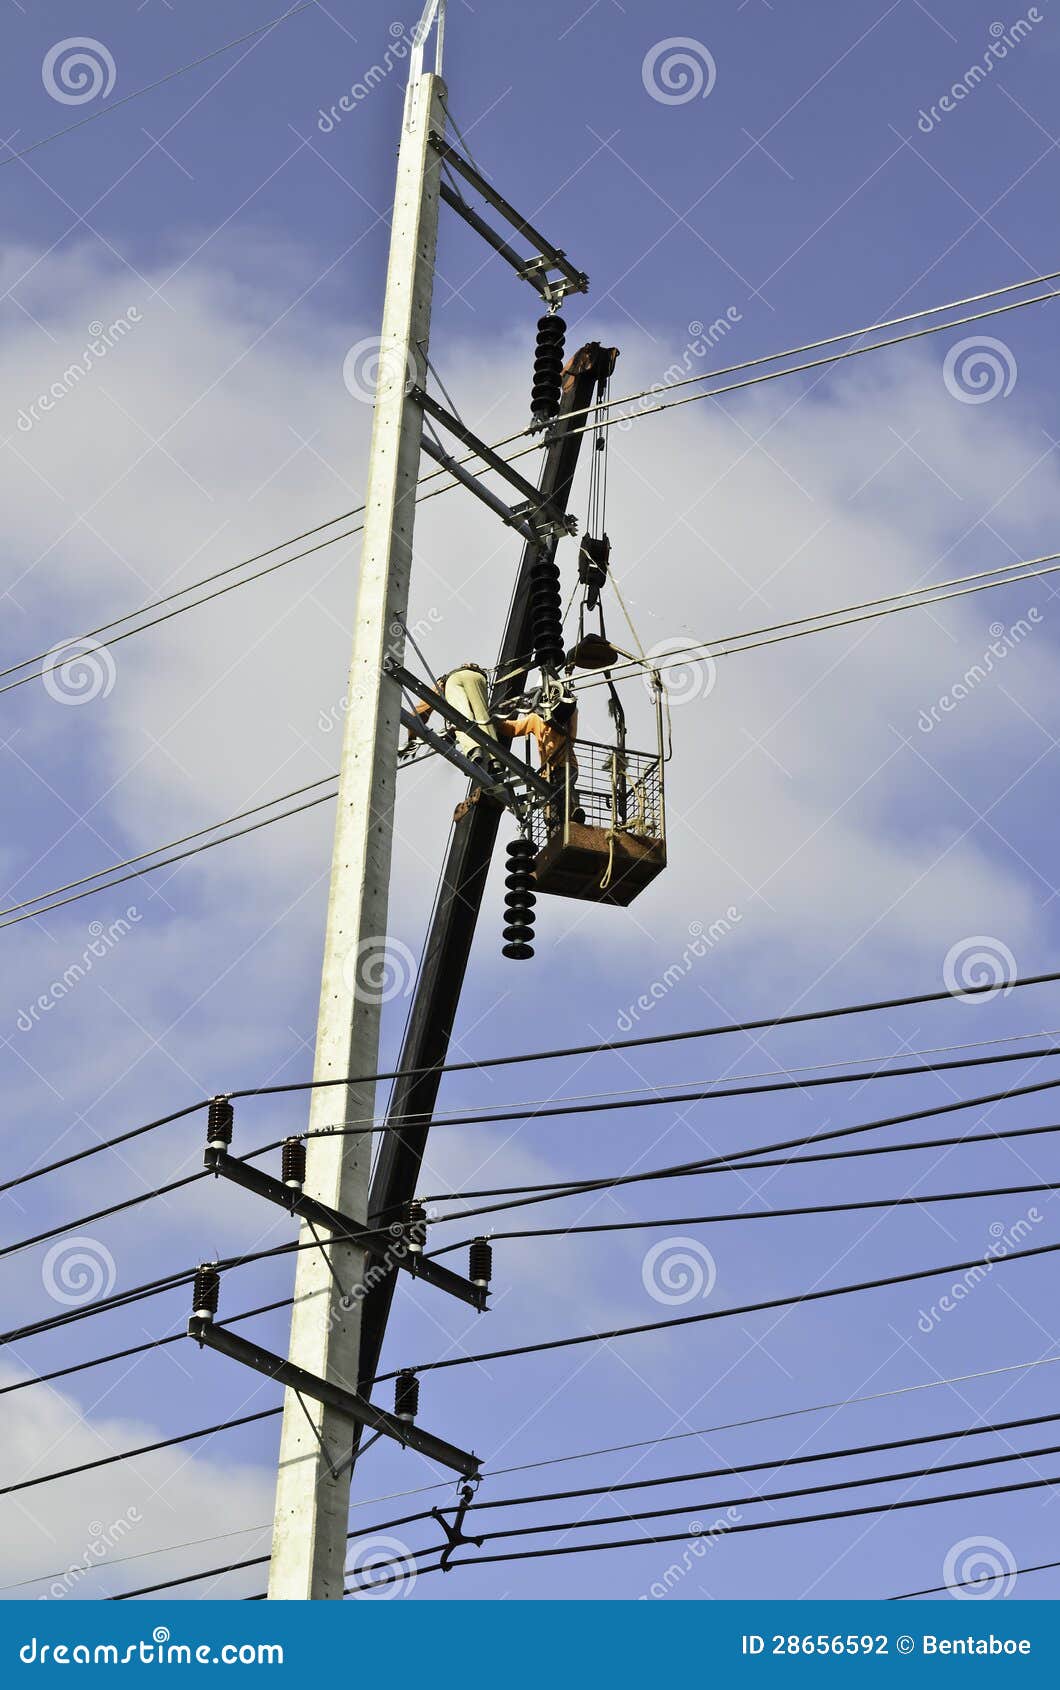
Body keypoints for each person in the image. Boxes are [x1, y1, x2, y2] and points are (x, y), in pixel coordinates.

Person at [499, 688, 584, 829]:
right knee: (553, 805)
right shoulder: (535, 719)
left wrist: (569, 701)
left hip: (566, 765)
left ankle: (573, 812)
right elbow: (514, 729)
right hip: (550, 773)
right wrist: (497, 722)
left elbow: (573, 733)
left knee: (562, 787)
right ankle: (557, 825)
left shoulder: (565, 717)